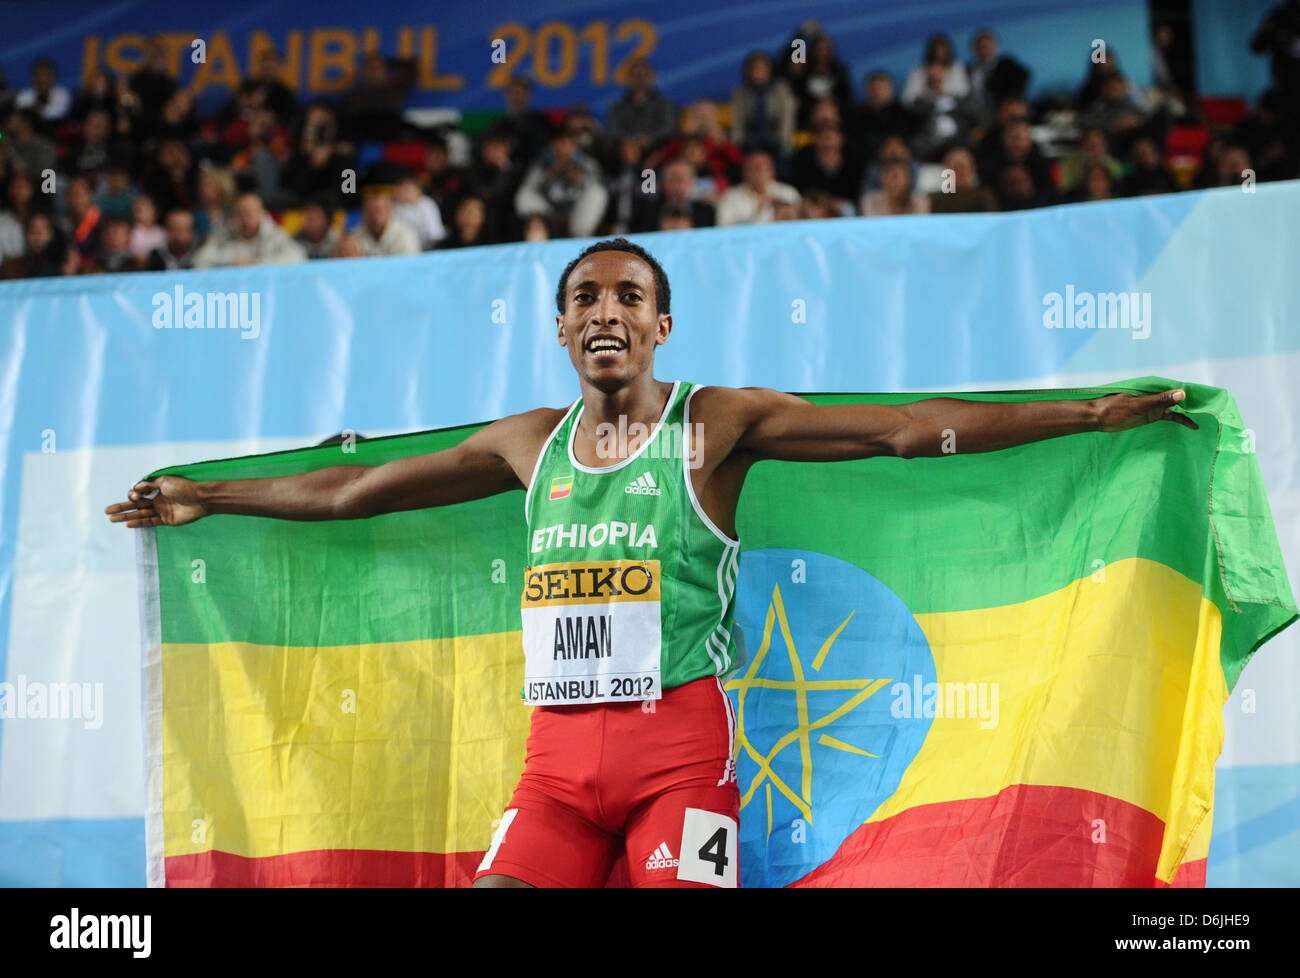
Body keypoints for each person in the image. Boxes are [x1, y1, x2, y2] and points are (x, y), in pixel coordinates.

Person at [106, 237, 1199, 888]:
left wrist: (1088, 412)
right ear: (561, 326)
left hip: (682, 761)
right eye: (586, 297)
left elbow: (905, 428)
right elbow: (351, 490)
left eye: (629, 296)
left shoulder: (710, 426)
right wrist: (215, 497)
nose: (607, 312)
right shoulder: (524, 445)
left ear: (662, 325)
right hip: (554, 770)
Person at [191, 191, 306, 267]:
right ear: (235, 216)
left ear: (262, 214)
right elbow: (199, 261)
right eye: (242, 213)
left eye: (251, 213)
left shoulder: (275, 234)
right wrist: (232, 262)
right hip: (233, 294)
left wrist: (257, 264)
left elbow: (298, 257)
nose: (246, 218)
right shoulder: (224, 235)